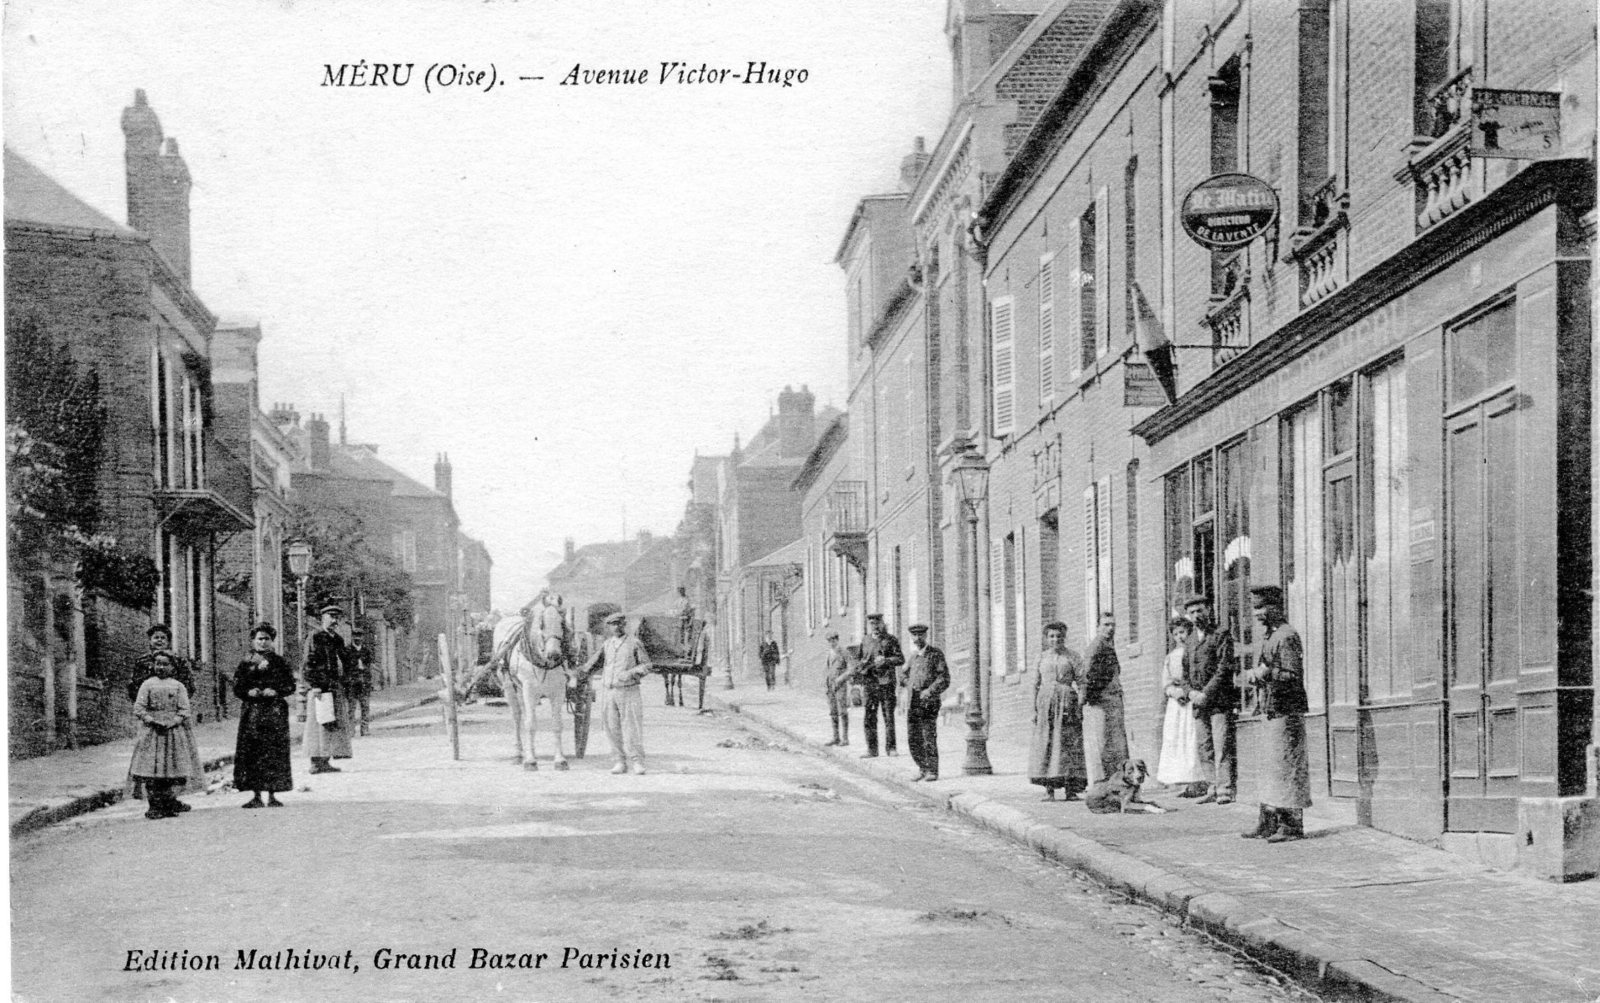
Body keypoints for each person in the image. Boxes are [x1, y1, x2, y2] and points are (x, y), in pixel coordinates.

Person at [1241, 585, 1312, 843]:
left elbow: (1292, 676)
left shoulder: (1287, 635)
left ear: (1275, 607)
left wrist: (1264, 673)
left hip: (1286, 710)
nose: (1257, 613)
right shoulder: (1271, 636)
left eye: (1261, 607)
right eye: (1254, 607)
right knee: (1270, 769)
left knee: (1286, 768)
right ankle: (1268, 823)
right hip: (1271, 709)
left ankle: (1291, 826)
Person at [127, 652, 206, 820]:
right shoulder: (147, 684)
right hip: (152, 733)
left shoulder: (178, 686)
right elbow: (139, 708)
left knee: (171, 769)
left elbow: (184, 710)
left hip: (172, 732)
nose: (161, 667)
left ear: (172, 667)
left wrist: (174, 721)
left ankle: (168, 802)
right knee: (151, 770)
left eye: (165, 664)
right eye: (157, 664)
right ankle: (154, 806)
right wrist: (151, 720)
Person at [232, 623, 294, 808]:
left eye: (267, 638)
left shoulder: (280, 662)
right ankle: (256, 794)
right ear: (253, 641)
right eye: (260, 638)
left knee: (274, 750)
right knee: (253, 751)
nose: (263, 642)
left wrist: (275, 691)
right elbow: (237, 686)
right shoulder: (246, 662)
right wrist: (248, 692)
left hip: (274, 712)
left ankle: (273, 794)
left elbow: (290, 685)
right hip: (253, 712)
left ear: (272, 641)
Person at [1185, 593, 1239, 804]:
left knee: (1221, 745)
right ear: (1187, 615)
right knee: (1204, 746)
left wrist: (1206, 693)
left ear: (1209, 610)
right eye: (1192, 612)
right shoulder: (1189, 641)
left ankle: (1225, 788)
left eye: (1200, 610)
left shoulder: (1221, 634)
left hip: (1218, 701)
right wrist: (1190, 692)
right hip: (1198, 704)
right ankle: (1212, 786)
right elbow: (1185, 673)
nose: (1197, 615)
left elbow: (1224, 668)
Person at [584, 612, 652, 775]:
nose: (616, 627)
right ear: (609, 627)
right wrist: (577, 674)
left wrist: (631, 673)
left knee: (631, 727)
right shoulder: (607, 645)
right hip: (609, 691)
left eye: (619, 624)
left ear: (624, 625)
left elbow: (647, 665)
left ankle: (637, 761)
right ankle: (619, 761)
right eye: (612, 624)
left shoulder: (634, 643)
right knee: (611, 727)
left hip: (628, 690)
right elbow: (593, 664)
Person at [1029, 621, 1088, 801]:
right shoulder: (1041, 658)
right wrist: (1034, 710)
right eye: (1052, 636)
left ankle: (1071, 789)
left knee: (1068, 744)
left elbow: (1082, 682)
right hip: (1046, 703)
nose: (1056, 639)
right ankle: (1049, 789)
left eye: (1059, 636)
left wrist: (1079, 705)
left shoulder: (1072, 657)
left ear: (1064, 637)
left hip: (1067, 702)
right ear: (1046, 639)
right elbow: (1035, 684)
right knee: (1047, 743)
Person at [1156, 617, 1207, 793]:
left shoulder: (1195, 652)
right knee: (1176, 740)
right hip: (1177, 704)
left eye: (1183, 632)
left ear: (1190, 632)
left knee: (1192, 739)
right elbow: (1165, 682)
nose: (1180, 637)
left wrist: (1188, 692)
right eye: (1176, 633)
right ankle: (1182, 782)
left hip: (1191, 700)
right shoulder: (1171, 657)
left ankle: (1197, 781)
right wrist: (1173, 692)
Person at [1079, 612, 1129, 785]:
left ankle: (1116, 779)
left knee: (1115, 741)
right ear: (1098, 627)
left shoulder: (1108, 645)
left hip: (1112, 699)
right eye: (1106, 625)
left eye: (1113, 625)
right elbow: (1087, 674)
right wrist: (1090, 697)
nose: (1110, 628)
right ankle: (1106, 780)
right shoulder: (1096, 646)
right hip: (1102, 700)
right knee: (1104, 742)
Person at [302, 605, 353, 775]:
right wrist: (314, 684)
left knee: (332, 724)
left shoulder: (337, 639)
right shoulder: (315, 636)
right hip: (319, 687)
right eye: (330, 616)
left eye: (337, 617)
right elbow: (308, 662)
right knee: (318, 724)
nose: (334, 620)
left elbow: (344, 661)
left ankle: (326, 760)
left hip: (334, 686)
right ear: (322, 617)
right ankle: (315, 762)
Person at [901, 625, 950, 782]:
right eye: (914, 636)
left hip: (929, 702)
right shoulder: (913, 657)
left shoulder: (935, 655)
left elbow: (944, 678)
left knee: (928, 735)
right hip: (913, 702)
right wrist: (910, 684)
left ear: (926, 636)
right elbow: (902, 676)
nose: (917, 639)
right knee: (913, 737)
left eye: (920, 635)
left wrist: (929, 691)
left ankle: (932, 770)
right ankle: (922, 767)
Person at [853, 613, 904, 758]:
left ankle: (891, 748)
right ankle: (871, 749)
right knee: (869, 715)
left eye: (877, 623)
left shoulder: (890, 639)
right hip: (870, 683)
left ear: (882, 623)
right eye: (871, 624)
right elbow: (860, 659)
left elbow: (900, 658)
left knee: (888, 715)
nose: (874, 626)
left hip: (886, 683)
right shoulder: (866, 640)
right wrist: (861, 666)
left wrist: (886, 660)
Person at [126, 623, 195, 705]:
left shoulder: (178, 661)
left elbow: (188, 684)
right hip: (148, 704)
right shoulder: (142, 661)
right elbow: (134, 685)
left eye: (163, 638)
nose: (159, 640)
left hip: (172, 704)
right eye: (156, 637)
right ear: (150, 641)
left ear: (168, 642)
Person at [822, 630, 852, 747]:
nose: (831, 643)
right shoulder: (829, 653)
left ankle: (845, 738)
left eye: (833, 640)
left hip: (840, 686)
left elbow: (851, 669)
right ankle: (836, 737)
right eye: (829, 641)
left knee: (842, 711)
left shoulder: (843, 652)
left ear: (837, 640)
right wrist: (826, 684)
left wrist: (840, 679)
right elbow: (827, 669)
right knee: (833, 712)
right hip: (830, 686)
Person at [347, 627, 375, 736]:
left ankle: (365, 729)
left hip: (364, 682)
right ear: (352, 637)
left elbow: (369, 666)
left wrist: (369, 681)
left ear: (362, 637)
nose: (357, 638)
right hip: (352, 683)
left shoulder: (366, 650)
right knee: (351, 708)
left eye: (359, 636)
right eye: (355, 636)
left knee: (365, 706)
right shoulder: (348, 650)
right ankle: (351, 730)